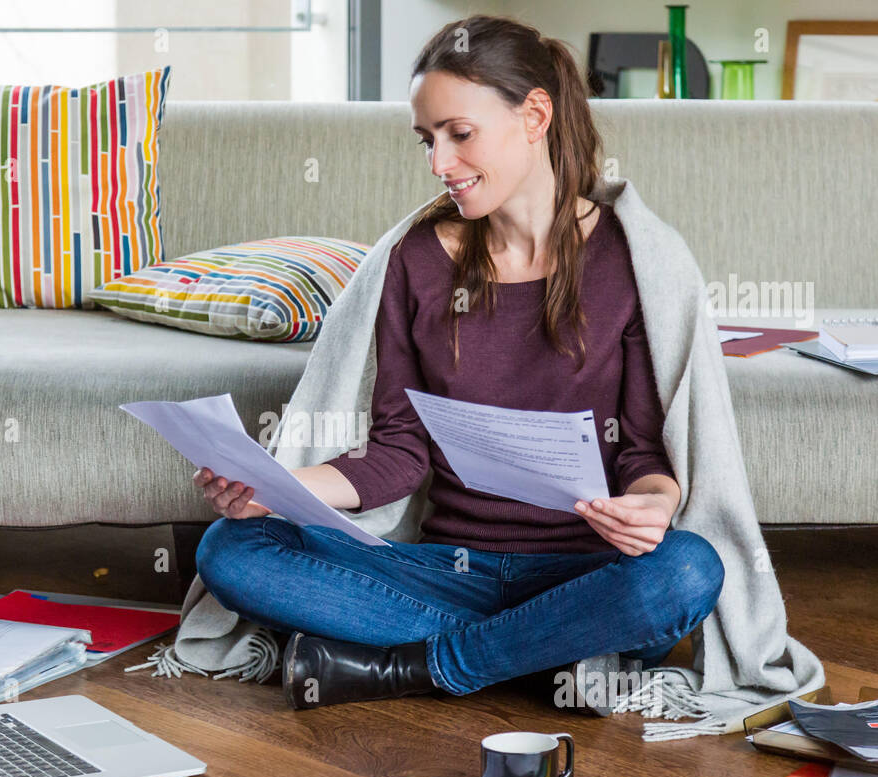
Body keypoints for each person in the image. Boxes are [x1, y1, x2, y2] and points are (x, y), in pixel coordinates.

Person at [191, 14, 724, 715]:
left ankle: (414, 666)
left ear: (535, 115)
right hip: (446, 568)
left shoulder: (634, 261)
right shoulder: (415, 260)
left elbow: (645, 452)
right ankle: (541, 656)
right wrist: (276, 487)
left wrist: (653, 504)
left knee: (687, 571)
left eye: (460, 133)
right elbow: (398, 451)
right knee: (232, 549)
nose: (440, 163)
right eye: (427, 139)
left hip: (588, 571)